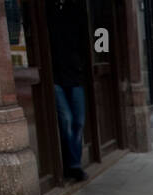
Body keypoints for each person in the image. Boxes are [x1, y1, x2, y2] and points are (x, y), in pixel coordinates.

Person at [48, 0, 91, 182]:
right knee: (66, 119)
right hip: (55, 76)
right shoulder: (48, 9)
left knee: (79, 121)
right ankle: (71, 165)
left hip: (75, 76)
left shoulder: (77, 7)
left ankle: (74, 163)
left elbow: (89, 38)